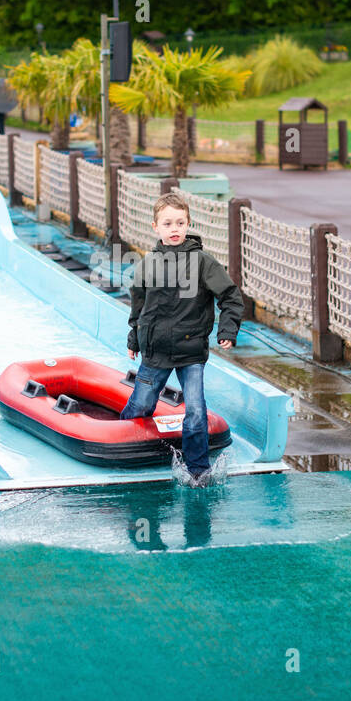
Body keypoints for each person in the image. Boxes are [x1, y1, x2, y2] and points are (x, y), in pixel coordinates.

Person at [121, 192, 243, 484]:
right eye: (167, 223)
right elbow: (139, 305)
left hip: (190, 351)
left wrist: (227, 330)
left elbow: (231, 297)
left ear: (188, 224)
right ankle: (123, 446)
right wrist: (133, 339)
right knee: (141, 404)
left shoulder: (202, 263)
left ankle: (198, 469)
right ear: (155, 227)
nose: (174, 229)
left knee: (196, 410)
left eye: (179, 222)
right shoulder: (148, 263)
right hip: (156, 350)